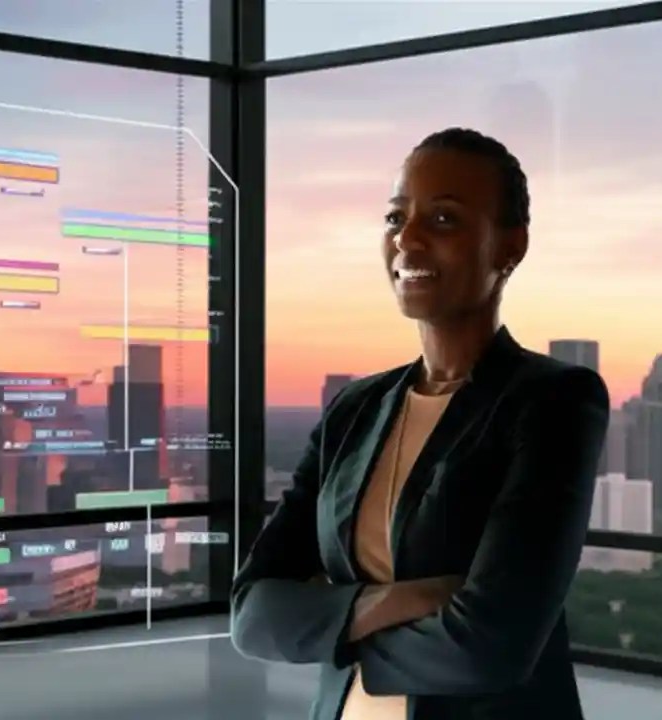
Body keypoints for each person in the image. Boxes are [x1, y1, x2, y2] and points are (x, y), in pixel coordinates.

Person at [230, 127, 610, 720]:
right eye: (394, 217)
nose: (406, 238)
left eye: (443, 220)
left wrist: (331, 625)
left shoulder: (553, 400)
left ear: (510, 246)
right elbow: (251, 615)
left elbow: (492, 647)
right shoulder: (354, 410)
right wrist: (406, 600)